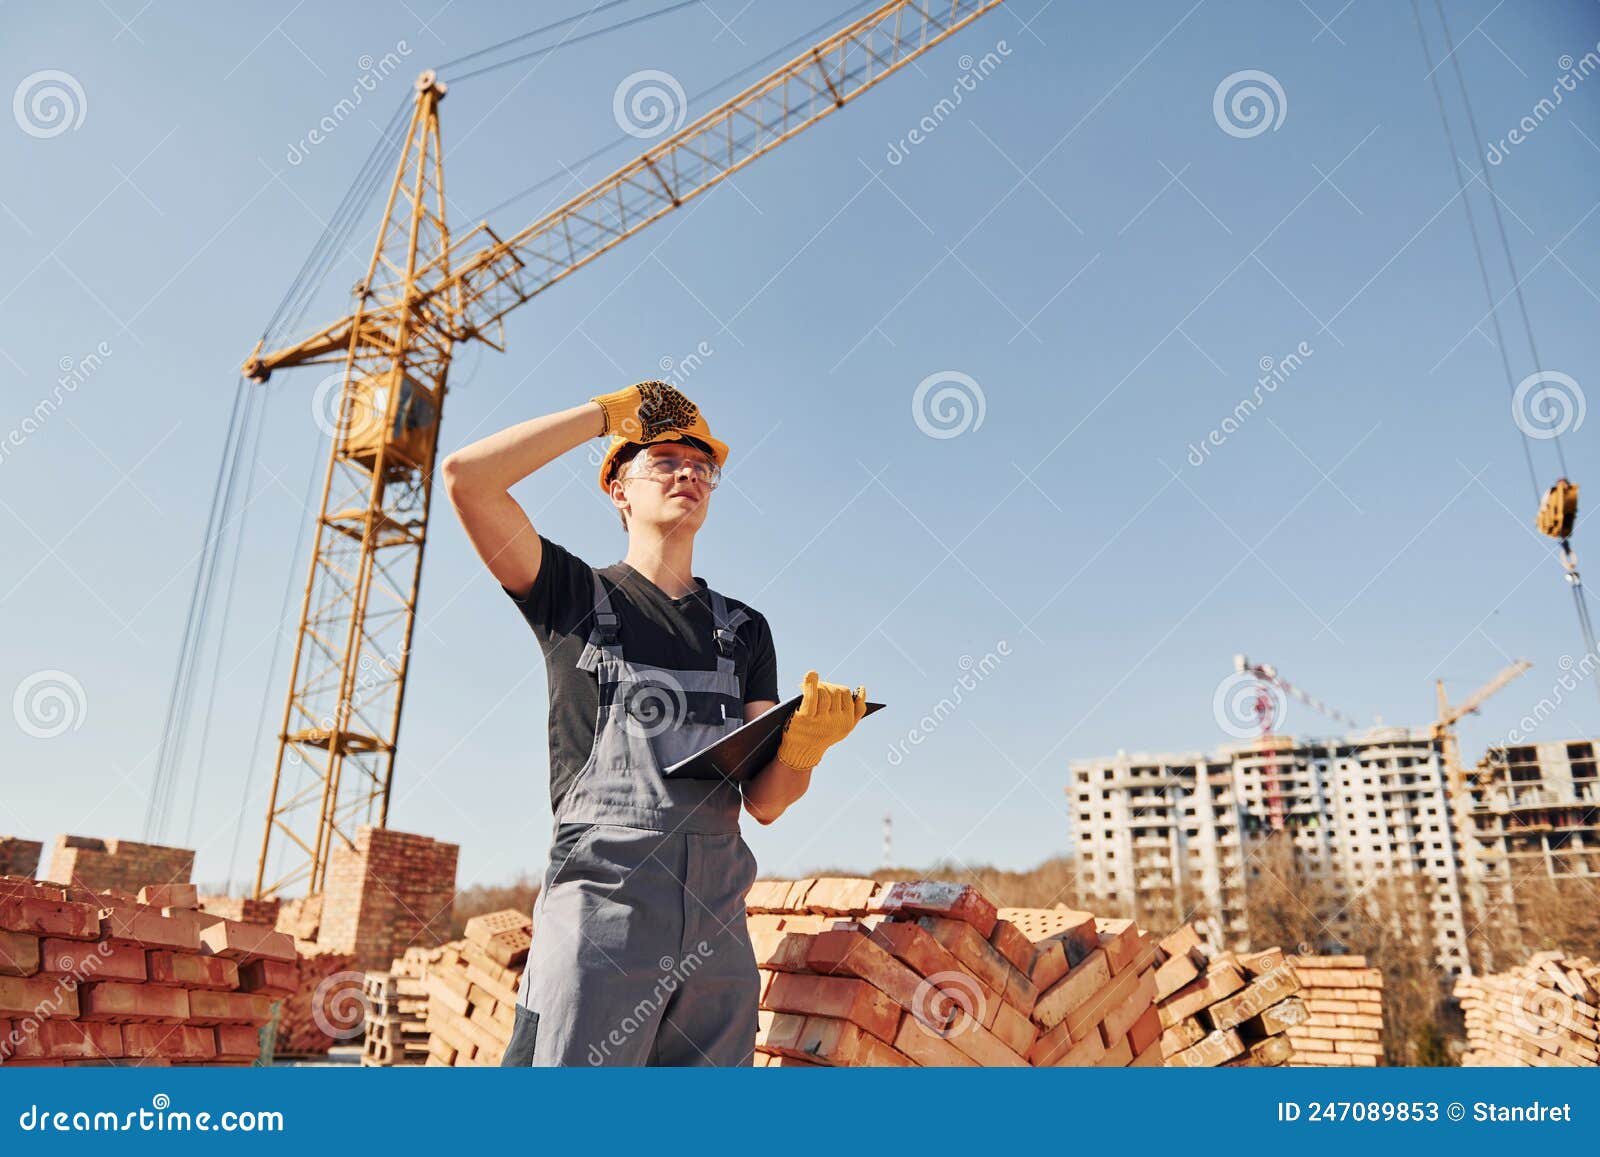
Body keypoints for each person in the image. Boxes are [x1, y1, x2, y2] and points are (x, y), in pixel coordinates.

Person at [440, 380, 868, 1066]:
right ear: (619, 488)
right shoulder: (573, 596)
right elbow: (468, 478)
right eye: (665, 459)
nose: (690, 472)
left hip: (716, 933)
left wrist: (806, 748)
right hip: (600, 921)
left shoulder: (744, 630)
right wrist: (602, 415)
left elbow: (766, 802)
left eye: (702, 465)